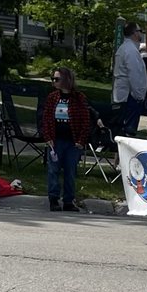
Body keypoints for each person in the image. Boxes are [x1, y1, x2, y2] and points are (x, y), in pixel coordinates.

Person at [39, 66, 91, 212]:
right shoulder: (53, 98)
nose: (54, 82)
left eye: (57, 79)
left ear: (66, 80)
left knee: (70, 171)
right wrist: (48, 137)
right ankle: (53, 198)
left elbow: (85, 120)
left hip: (72, 141)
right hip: (56, 140)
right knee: (53, 170)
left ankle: (68, 200)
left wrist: (81, 140)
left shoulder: (79, 98)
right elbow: (47, 119)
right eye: (53, 79)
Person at [112, 21, 147, 138]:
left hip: (124, 94)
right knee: (128, 132)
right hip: (130, 96)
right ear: (134, 33)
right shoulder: (130, 51)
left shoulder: (125, 48)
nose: (141, 33)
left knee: (122, 129)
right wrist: (138, 95)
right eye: (139, 31)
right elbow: (135, 74)